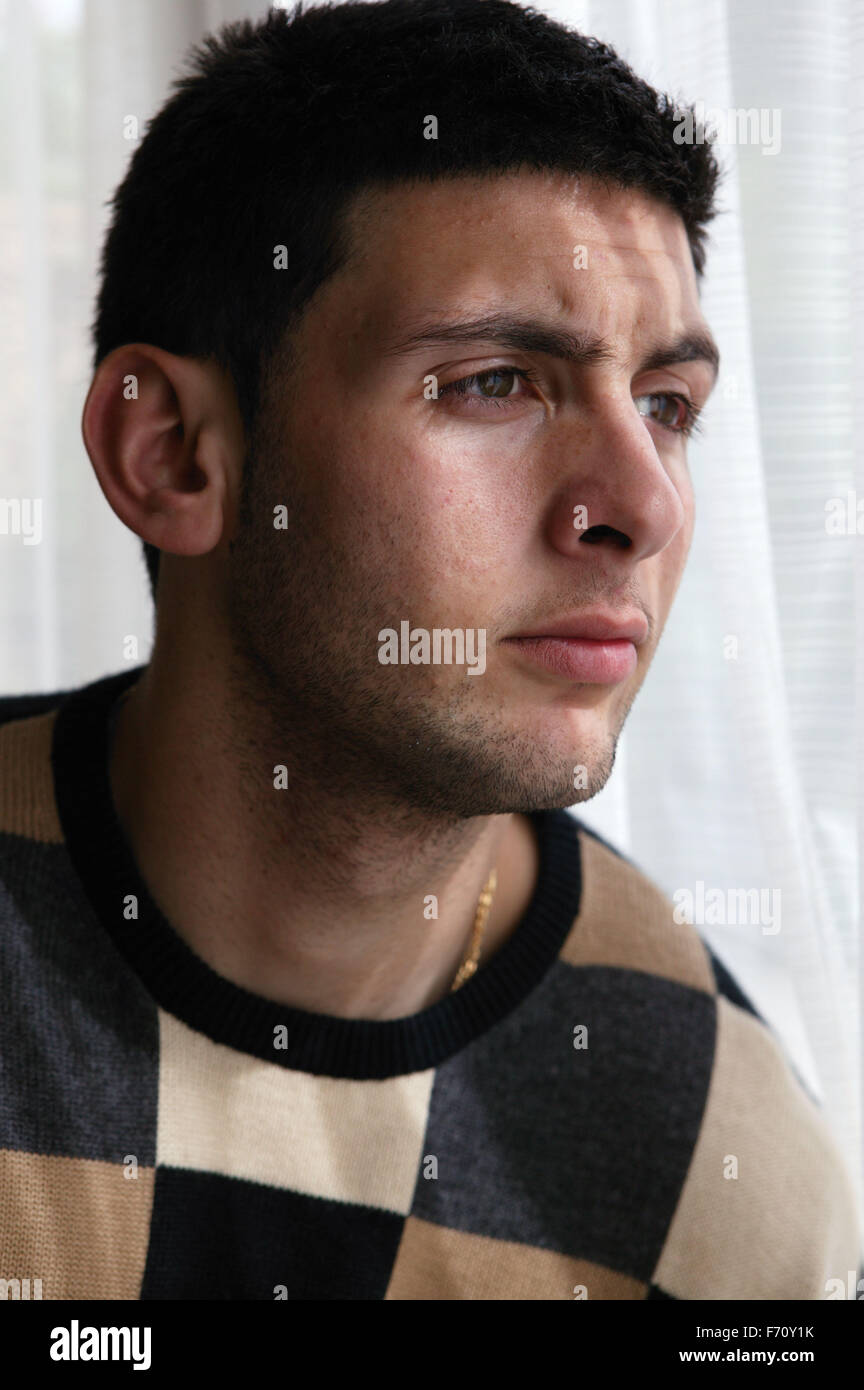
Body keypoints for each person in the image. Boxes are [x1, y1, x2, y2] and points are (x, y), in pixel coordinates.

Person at [0, 0, 859, 1301]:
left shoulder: (712, 1158)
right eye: (495, 382)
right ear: (171, 452)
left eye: (668, 406)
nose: (644, 508)